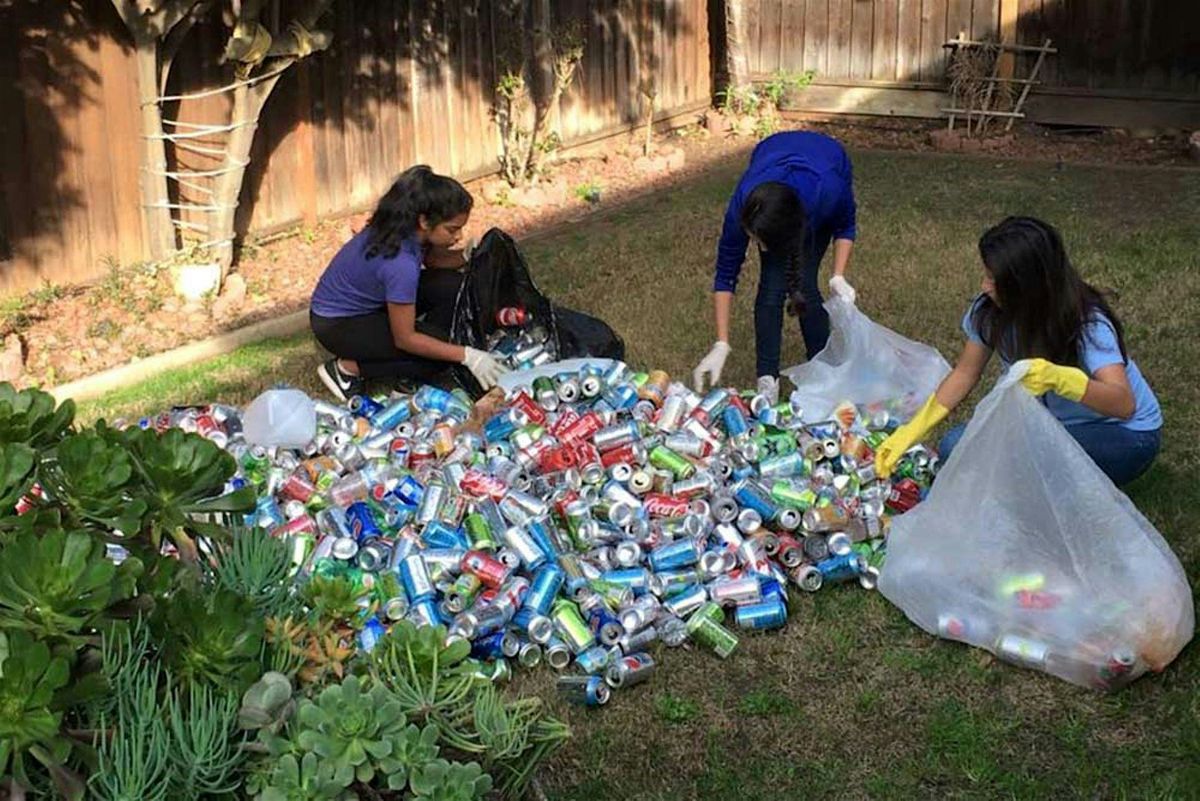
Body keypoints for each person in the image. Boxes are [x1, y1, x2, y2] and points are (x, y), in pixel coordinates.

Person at [875, 216, 1162, 486]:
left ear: (1026, 284)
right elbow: (965, 374)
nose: (985, 286)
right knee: (954, 445)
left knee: (1020, 462)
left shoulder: (1087, 323)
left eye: (994, 279)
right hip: (1051, 426)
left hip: (1124, 434)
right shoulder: (990, 311)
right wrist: (913, 430)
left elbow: (1123, 404)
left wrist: (1063, 379)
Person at [309, 165, 506, 401]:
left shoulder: (403, 228)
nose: (459, 237)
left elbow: (433, 261)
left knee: (454, 287)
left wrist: (466, 255)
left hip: (367, 307)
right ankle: (346, 369)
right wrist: (468, 356)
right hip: (338, 325)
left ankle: (411, 364)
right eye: (452, 229)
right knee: (441, 357)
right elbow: (405, 339)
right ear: (424, 221)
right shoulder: (400, 262)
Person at [693, 131, 858, 403]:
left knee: (805, 283)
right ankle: (767, 379)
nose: (759, 247)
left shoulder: (828, 191)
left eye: (762, 242)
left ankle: (822, 369)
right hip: (772, 153)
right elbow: (726, 274)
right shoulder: (746, 204)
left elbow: (846, 224)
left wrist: (837, 275)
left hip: (827, 159)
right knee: (771, 286)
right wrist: (721, 343)